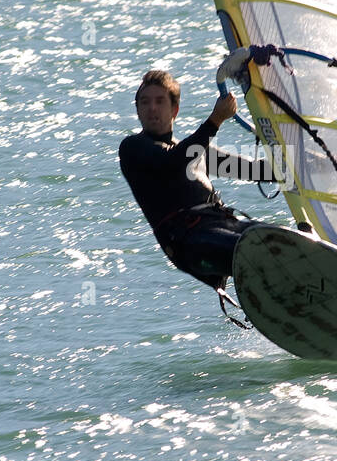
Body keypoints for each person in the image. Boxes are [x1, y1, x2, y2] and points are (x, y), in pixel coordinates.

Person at [118, 68, 278, 295]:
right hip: (191, 243)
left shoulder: (196, 150)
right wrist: (215, 120)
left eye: (160, 101)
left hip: (223, 226)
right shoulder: (133, 148)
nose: (152, 108)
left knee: (281, 240)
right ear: (137, 110)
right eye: (144, 102)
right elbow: (172, 164)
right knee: (251, 249)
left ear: (175, 110)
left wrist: (303, 165)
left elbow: (253, 170)